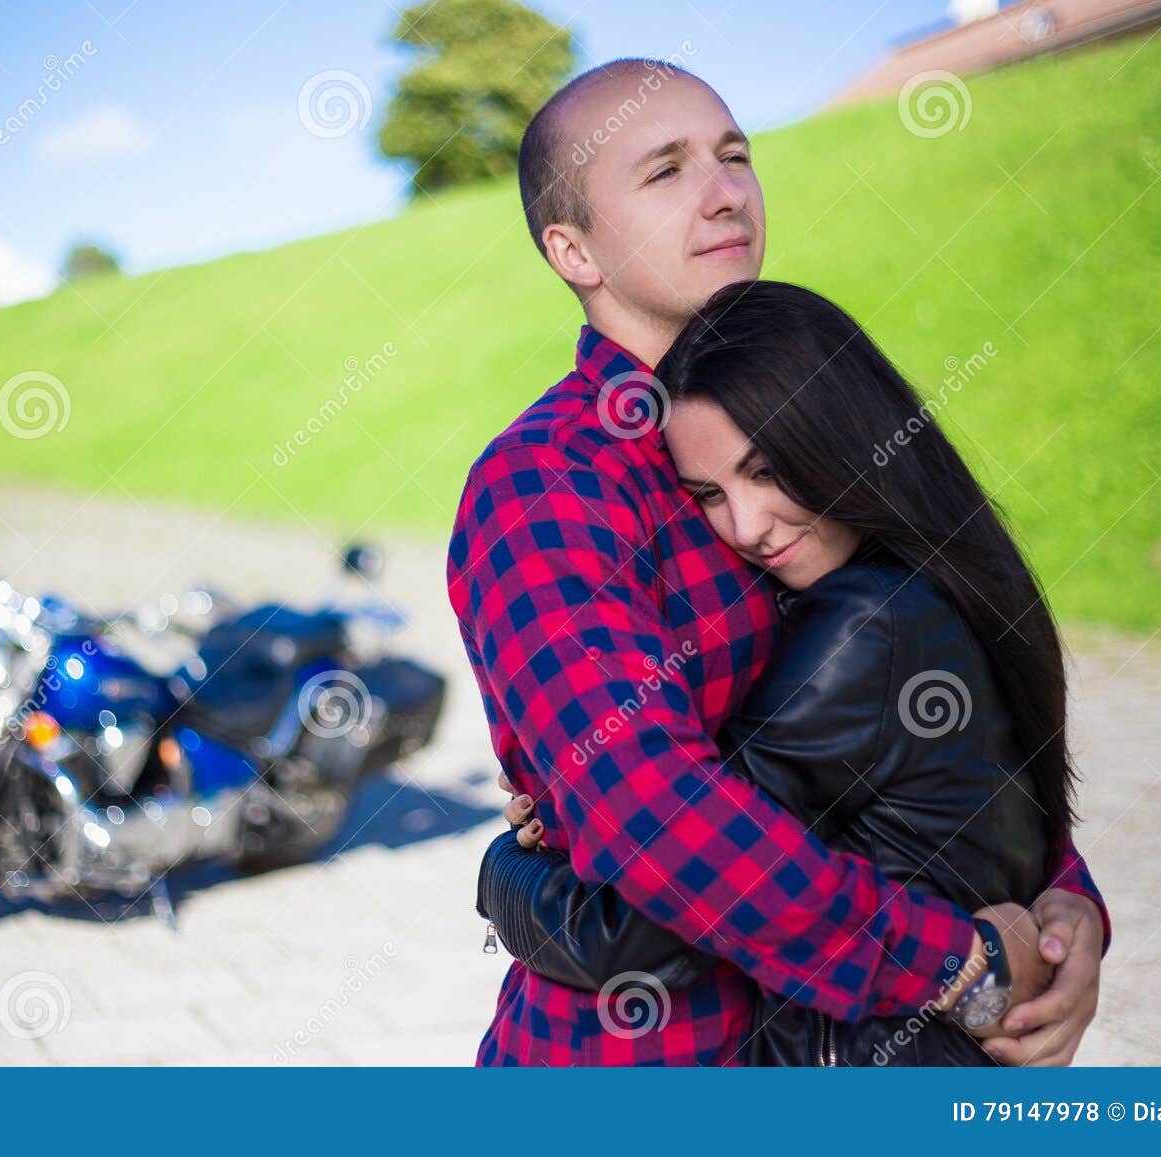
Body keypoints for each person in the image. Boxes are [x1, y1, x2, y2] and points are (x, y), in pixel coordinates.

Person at [446, 58, 1109, 1067]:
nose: (724, 192)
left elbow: (941, 694)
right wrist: (951, 961)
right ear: (570, 247)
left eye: (734, 156)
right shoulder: (548, 482)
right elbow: (651, 813)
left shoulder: (805, 408)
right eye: (663, 171)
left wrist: (1064, 904)